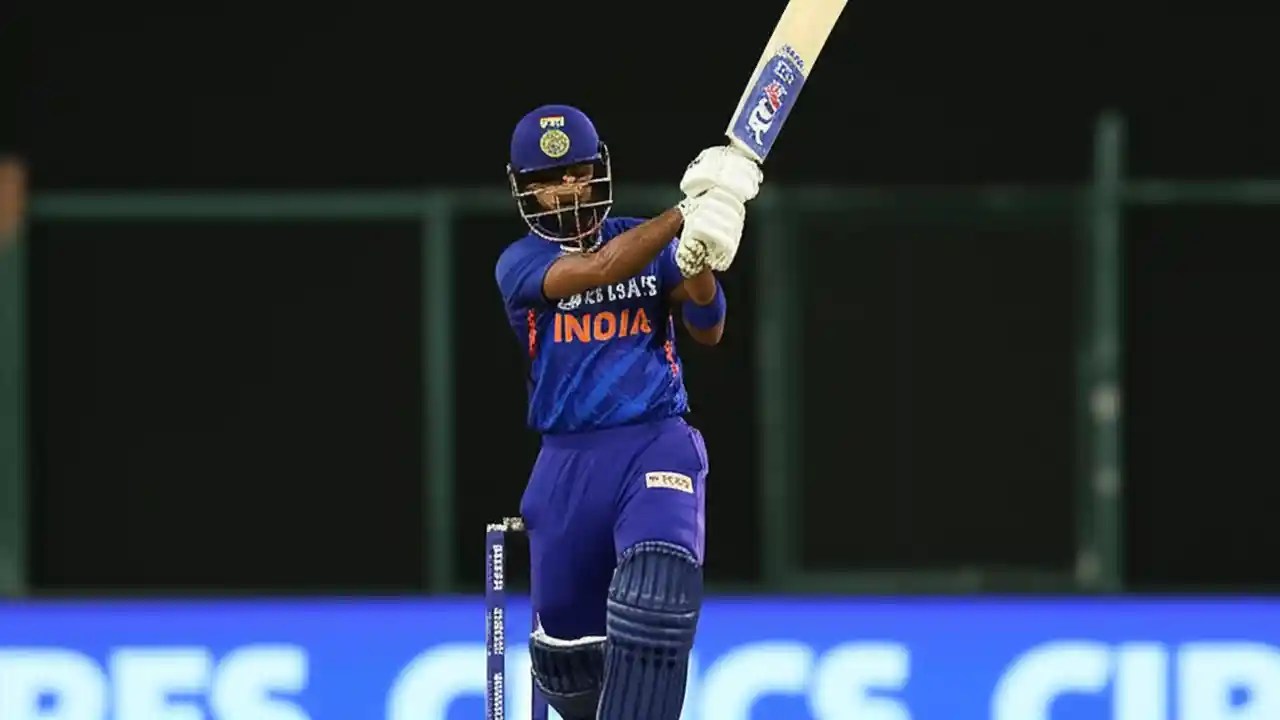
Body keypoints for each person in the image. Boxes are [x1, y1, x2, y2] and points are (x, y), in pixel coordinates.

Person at [494, 104, 761, 719]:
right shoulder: (520, 263)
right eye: (548, 178)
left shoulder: (645, 236)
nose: (567, 188)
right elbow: (597, 270)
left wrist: (699, 258)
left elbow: (709, 325)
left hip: (654, 443)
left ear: (598, 171)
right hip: (565, 465)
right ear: (525, 189)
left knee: (654, 602)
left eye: (578, 172)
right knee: (566, 657)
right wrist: (684, 214)